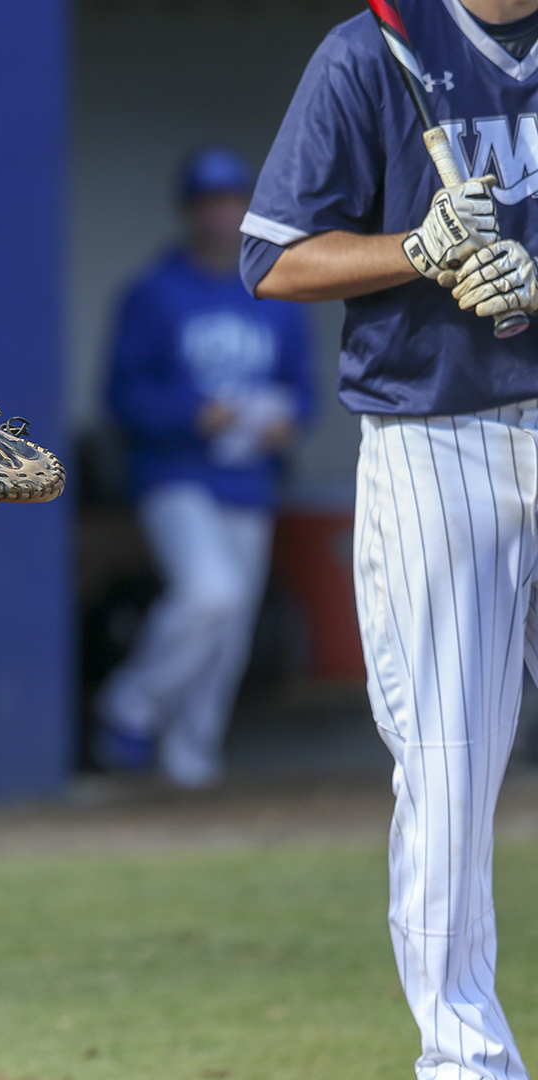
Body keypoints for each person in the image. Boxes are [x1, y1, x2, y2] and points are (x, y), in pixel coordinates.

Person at [247, 1, 538, 1077]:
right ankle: (465, 1060)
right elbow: (273, 257)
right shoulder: (366, 50)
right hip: (434, 437)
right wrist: (415, 251)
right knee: (452, 768)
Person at [93, 146, 313, 789]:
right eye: (208, 202)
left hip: (250, 477)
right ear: (189, 211)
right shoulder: (155, 291)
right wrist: (193, 412)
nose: (220, 213)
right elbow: (121, 397)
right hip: (176, 475)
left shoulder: (274, 290)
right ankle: (129, 708)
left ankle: (191, 762)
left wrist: (286, 420)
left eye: (231, 200)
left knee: (231, 632)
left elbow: (300, 388)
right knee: (209, 593)